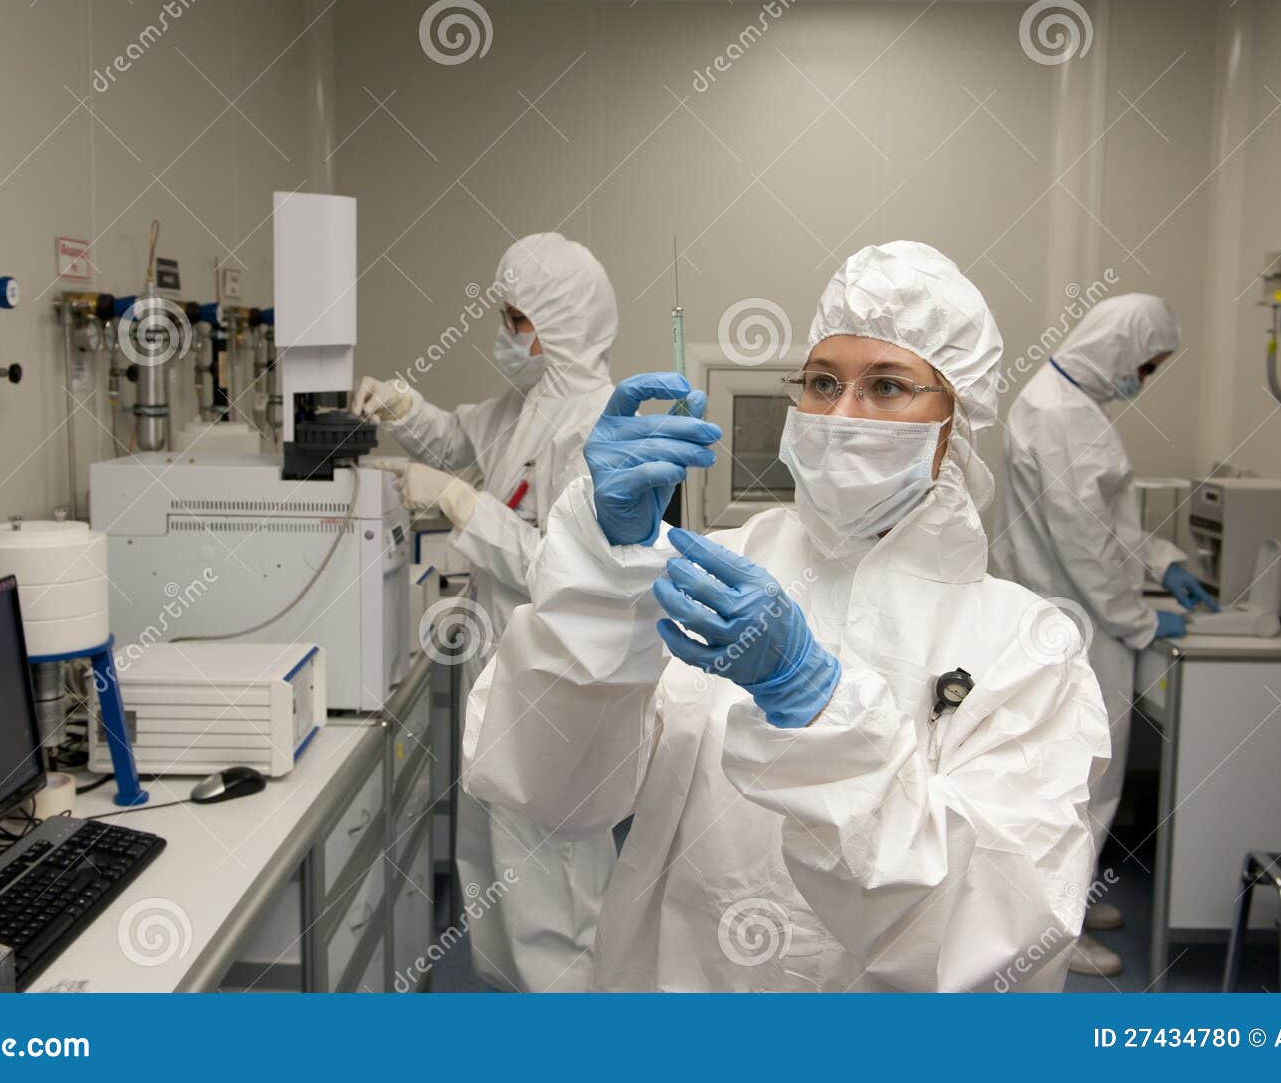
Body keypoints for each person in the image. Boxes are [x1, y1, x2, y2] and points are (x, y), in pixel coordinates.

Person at [461, 241, 1110, 990]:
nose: (840, 413)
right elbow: (552, 792)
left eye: (888, 386)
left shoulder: (1025, 646)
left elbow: (1000, 940)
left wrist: (815, 705)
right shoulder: (712, 575)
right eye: (823, 381)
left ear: (955, 422)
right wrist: (603, 575)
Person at [353, 232, 619, 992]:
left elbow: (567, 570)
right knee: (493, 876)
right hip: (500, 674)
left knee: (553, 895)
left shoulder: (599, 427)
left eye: (516, 319)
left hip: (556, 688)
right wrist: (404, 406)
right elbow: (457, 437)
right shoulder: (527, 404)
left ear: (557, 322)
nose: (506, 336)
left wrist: (460, 500)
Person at [993, 292, 1217, 977]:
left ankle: (1072, 908)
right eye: (1145, 366)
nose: (1142, 380)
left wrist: (1166, 561)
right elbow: (1085, 544)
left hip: (1074, 615)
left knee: (1075, 786)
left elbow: (1106, 521)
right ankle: (1052, 940)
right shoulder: (1060, 415)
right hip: (1078, 624)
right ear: (1121, 347)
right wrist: (1142, 618)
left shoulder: (1067, 405)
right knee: (1080, 787)